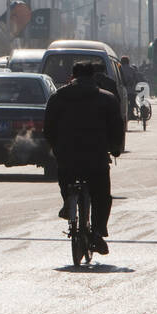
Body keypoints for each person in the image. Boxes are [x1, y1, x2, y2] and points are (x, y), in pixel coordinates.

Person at [43, 60, 125, 255]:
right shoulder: (107, 99)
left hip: (67, 156)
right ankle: (97, 231)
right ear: (93, 76)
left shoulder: (57, 97)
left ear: (73, 76)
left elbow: (48, 128)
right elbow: (116, 128)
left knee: (66, 179)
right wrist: (115, 149)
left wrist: (56, 147)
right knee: (102, 195)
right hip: (96, 157)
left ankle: (67, 203)